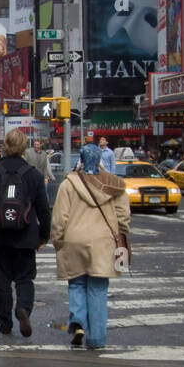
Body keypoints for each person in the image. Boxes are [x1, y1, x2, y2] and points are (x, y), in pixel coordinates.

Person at [50, 143, 131, 351]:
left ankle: (77, 323)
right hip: (103, 242)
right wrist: (120, 232)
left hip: (74, 240)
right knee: (98, 289)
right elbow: (123, 217)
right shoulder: (115, 184)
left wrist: (58, 240)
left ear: (82, 160)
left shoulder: (68, 184)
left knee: (76, 283)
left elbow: (60, 218)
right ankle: (96, 339)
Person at [0, 129, 50, 337]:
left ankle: (4, 323)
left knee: (0, 281)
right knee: (25, 278)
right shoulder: (33, 175)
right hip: (25, 236)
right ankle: (23, 308)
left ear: (5, 146)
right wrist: (44, 235)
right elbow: (44, 209)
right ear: (25, 147)